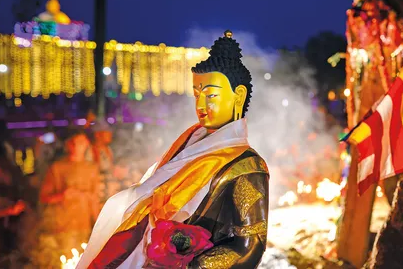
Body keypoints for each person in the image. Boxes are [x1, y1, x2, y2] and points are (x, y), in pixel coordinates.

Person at [77, 31, 269, 268]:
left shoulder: (246, 165)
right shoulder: (186, 144)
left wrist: (191, 263)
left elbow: (250, 244)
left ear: (238, 96)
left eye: (211, 95)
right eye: (197, 94)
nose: (201, 105)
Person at [29, 131, 99, 268]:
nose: (77, 146)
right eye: (74, 142)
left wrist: (98, 225)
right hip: (61, 225)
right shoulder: (57, 167)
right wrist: (62, 195)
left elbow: (94, 199)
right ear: (68, 145)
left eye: (81, 142)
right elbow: (44, 197)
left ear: (87, 145)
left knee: (81, 261)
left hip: (82, 224)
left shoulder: (92, 169)